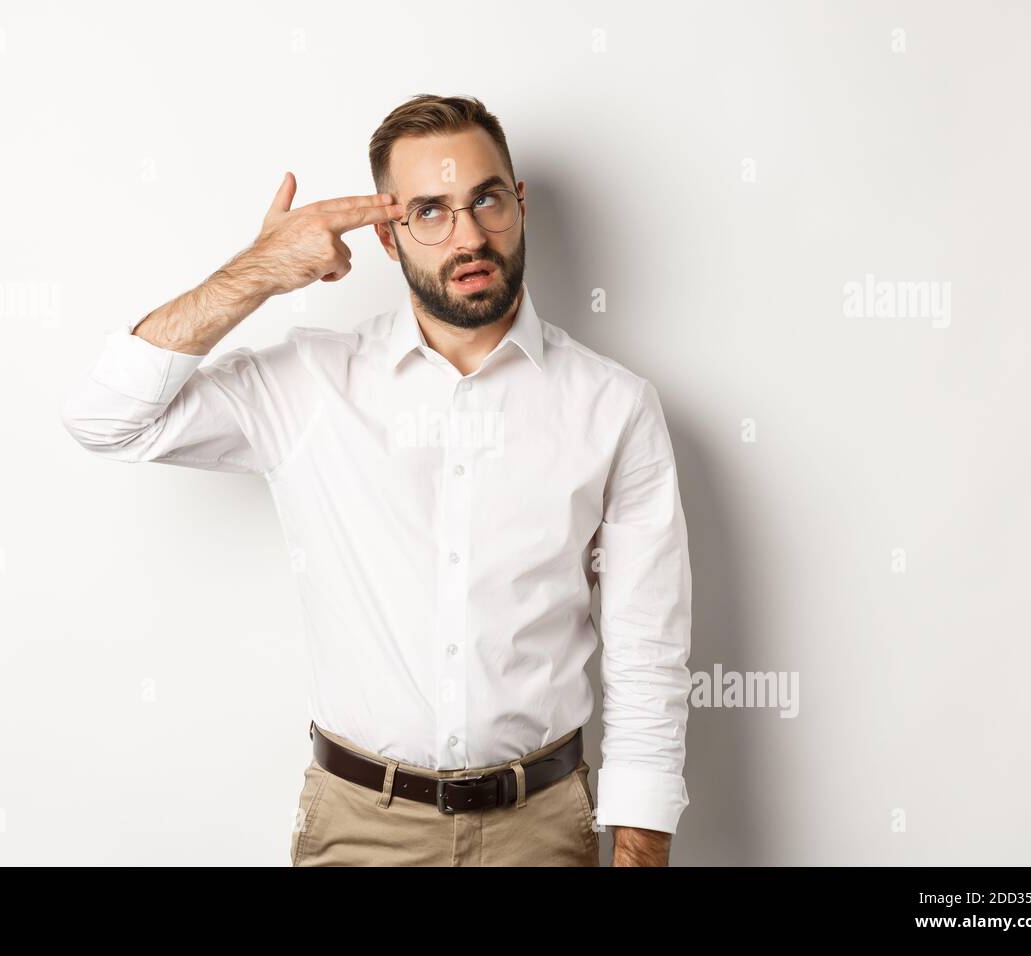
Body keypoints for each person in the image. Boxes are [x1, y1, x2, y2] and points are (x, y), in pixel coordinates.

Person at [60, 94, 692, 866]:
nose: (468, 237)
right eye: (429, 211)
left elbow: (646, 649)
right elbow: (107, 419)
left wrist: (639, 848)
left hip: (543, 826)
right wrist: (257, 272)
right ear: (389, 239)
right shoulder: (311, 384)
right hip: (360, 831)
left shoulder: (613, 406)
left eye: (486, 200)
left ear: (519, 205)